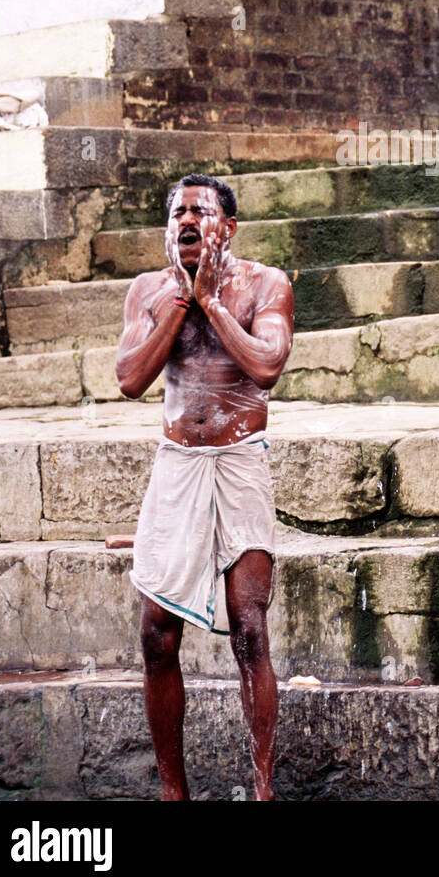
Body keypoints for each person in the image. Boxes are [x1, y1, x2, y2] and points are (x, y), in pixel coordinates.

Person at [116, 173, 295, 802]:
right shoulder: (147, 291)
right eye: (177, 213)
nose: (187, 220)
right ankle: (174, 793)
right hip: (177, 465)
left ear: (229, 227)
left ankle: (263, 790)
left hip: (240, 459)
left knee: (250, 627)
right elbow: (130, 379)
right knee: (156, 634)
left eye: (201, 211)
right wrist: (179, 305)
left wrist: (214, 299)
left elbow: (267, 367)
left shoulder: (266, 284)